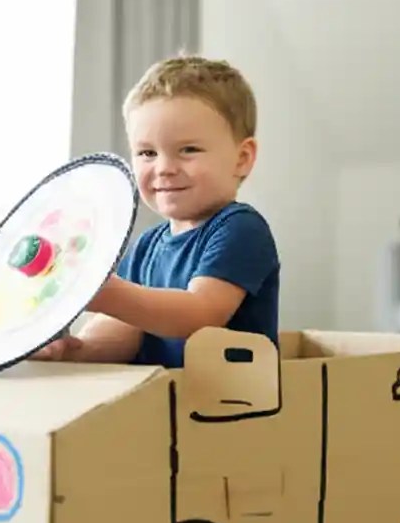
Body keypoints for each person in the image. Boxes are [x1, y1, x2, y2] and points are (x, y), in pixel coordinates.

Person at [33, 55, 280, 368]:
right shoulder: (148, 245)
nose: (163, 168)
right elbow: (122, 329)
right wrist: (76, 350)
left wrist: (104, 291)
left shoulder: (240, 229)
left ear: (242, 158)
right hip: (162, 402)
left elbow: (201, 315)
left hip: (232, 404)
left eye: (188, 150)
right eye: (147, 153)